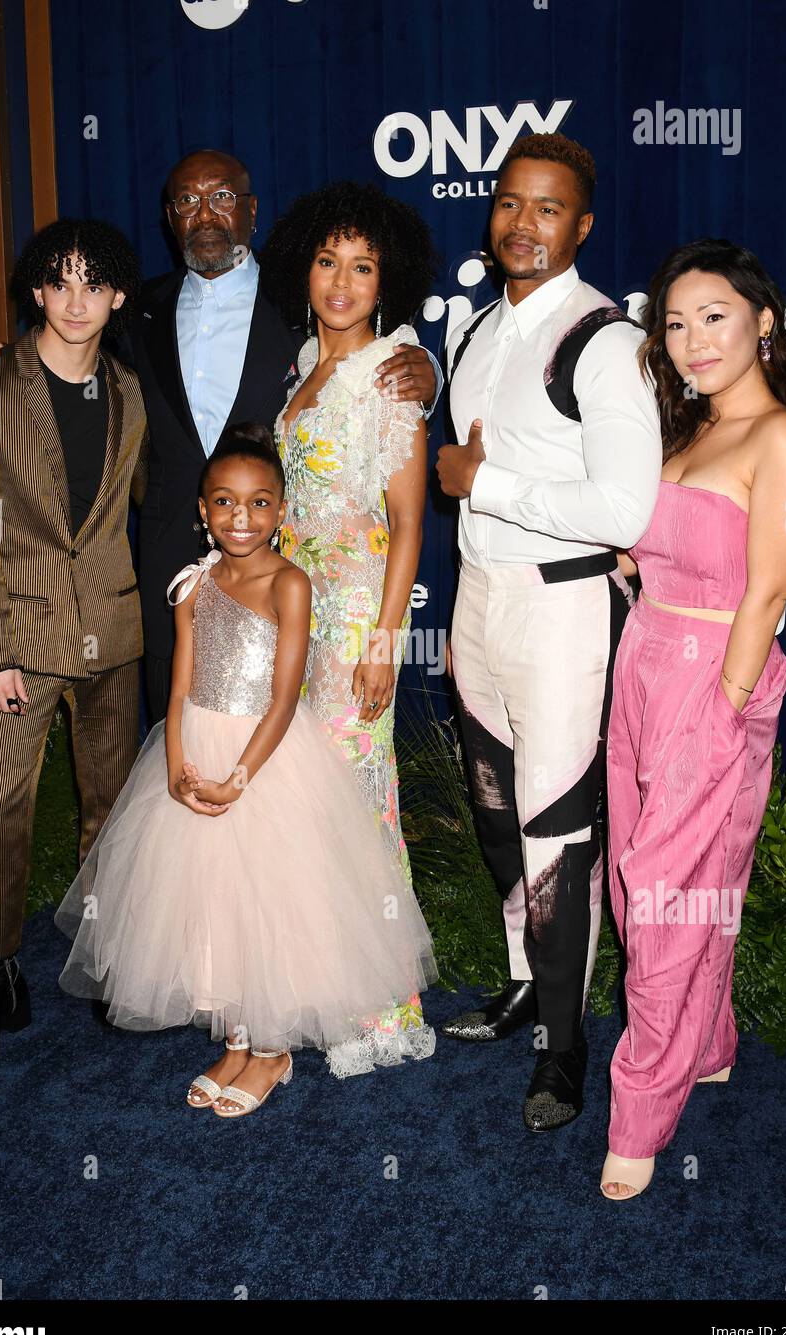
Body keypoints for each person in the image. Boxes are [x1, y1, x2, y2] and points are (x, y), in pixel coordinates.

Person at [0, 150, 442, 725]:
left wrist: (428, 372)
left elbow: (367, 369)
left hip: (281, 575)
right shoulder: (137, 308)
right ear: (170, 218)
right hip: (172, 558)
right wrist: (3, 360)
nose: (206, 214)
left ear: (251, 209)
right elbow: (74, 363)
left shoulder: (303, 298)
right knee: (187, 741)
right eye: (188, 201)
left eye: (222, 196)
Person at [54, 425, 438, 1112]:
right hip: (199, 743)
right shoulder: (194, 584)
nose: (242, 518)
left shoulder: (290, 583)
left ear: (282, 512)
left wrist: (238, 774)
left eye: (260, 503)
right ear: (202, 511)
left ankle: (271, 1049)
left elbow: (286, 697)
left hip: (264, 757)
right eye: (225, 503)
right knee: (212, 902)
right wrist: (176, 762)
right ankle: (234, 1038)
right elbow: (176, 685)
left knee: (271, 899)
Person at [436, 133, 662, 1132]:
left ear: (581, 224)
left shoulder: (606, 341)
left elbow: (624, 507)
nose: (522, 224)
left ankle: (565, 1054)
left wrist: (487, 482)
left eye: (546, 208)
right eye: (508, 204)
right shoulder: (476, 332)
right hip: (478, 598)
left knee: (553, 835)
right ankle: (530, 982)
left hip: (563, 610)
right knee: (494, 817)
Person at [601, 240, 786, 1199]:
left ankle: (639, 1113)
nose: (691, 339)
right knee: (663, 884)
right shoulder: (681, 437)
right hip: (641, 665)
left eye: (714, 316)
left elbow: (767, 595)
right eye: (674, 321)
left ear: (762, 323)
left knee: (662, 896)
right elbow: (657, 553)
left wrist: (722, 712)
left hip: (713, 676)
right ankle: (708, 1041)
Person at [0, 219, 147, 1067]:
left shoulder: (130, 391)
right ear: (36, 290)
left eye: (91, 284)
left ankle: (99, 960)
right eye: (58, 283)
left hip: (114, 633)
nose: (74, 301)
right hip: (17, 645)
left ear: (117, 297)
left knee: (110, 814)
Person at [262, 180, 440, 1074]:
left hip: (356, 613)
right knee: (303, 804)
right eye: (328, 261)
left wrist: (384, 643)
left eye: (362, 266)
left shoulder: (392, 373)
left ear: (386, 282)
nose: (341, 281)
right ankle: (313, 984)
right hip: (295, 611)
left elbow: (406, 521)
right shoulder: (303, 364)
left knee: (359, 805)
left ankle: (377, 1012)